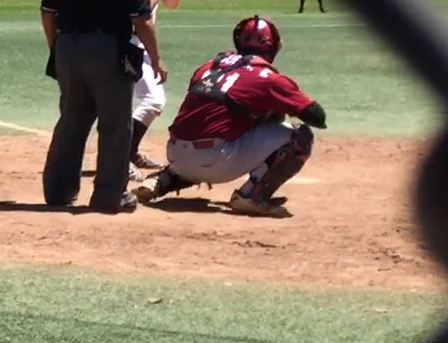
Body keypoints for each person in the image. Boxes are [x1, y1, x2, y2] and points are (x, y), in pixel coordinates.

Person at [134, 16, 327, 218]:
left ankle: (163, 179)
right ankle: (252, 196)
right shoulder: (268, 77)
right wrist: (276, 106)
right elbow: (317, 117)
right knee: (300, 136)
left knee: (207, 130)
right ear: (272, 47)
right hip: (216, 161)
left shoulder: (208, 66)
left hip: (175, 154)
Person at [38, 0, 164, 213]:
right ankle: (110, 195)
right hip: (108, 49)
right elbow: (142, 19)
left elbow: (48, 12)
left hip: (68, 46)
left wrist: (57, 47)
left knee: (71, 120)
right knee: (115, 124)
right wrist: (156, 58)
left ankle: (58, 191)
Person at [124, 0, 190, 174]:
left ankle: (128, 152)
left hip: (141, 46)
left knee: (145, 101)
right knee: (152, 100)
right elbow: (142, 9)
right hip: (127, 43)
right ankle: (123, 155)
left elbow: (170, 3)